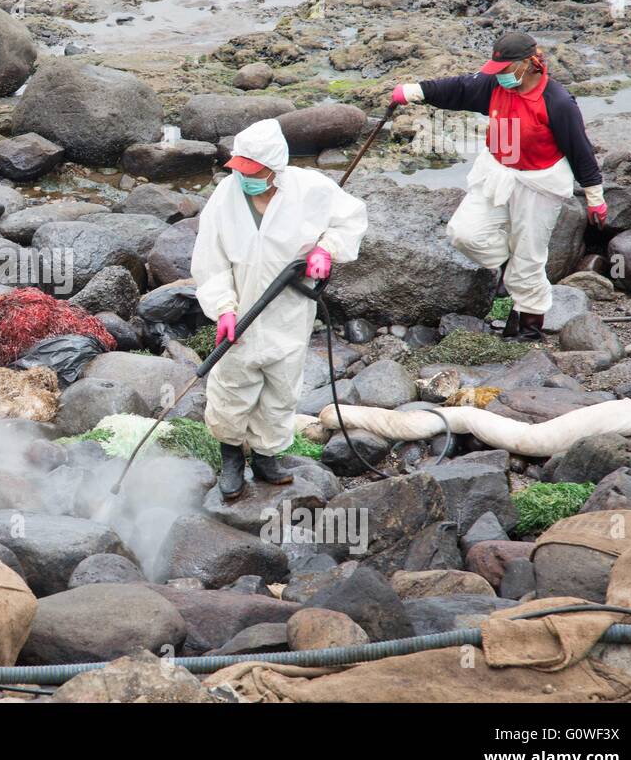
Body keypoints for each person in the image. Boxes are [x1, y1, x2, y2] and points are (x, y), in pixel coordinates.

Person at [192, 119, 368, 500]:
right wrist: (223, 309)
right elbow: (211, 260)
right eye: (239, 169)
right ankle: (231, 459)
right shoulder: (225, 196)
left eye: (252, 172)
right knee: (232, 386)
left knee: (282, 386)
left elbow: (350, 218)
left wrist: (326, 249)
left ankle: (267, 457)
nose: (243, 178)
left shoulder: (311, 190)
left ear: (274, 168)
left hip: (289, 309)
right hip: (241, 310)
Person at [392, 30, 605, 341]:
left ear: (529, 64)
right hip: (497, 172)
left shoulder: (557, 102)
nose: (500, 76)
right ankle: (508, 264)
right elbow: (459, 88)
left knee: (530, 260)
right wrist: (414, 91)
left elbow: (579, 149)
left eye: (505, 69)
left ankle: (529, 330)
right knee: (464, 233)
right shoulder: (494, 86)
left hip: (538, 184)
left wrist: (595, 196)